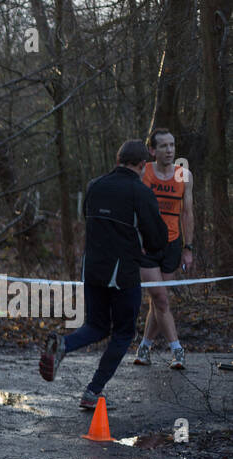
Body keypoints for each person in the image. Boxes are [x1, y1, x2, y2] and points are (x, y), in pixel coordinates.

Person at [40, 140, 167, 409]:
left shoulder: (94, 186)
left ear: (118, 159)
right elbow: (157, 237)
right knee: (123, 332)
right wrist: (148, 247)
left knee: (97, 326)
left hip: (93, 268)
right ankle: (93, 391)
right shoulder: (140, 192)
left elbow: (88, 219)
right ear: (143, 165)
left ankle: (63, 345)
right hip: (123, 273)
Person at [134, 128, 195, 369]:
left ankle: (144, 347)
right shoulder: (143, 172)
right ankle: (177, 350)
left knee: (159, 301)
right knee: (159, 297)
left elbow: (188, 213)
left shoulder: (184, 175)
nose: (169, 150)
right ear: (152, 150)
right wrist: (135, 241)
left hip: (172, 243)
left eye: (172, 145)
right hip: (147, 245)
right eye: (163, 146)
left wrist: (188, 248)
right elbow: (133, 209)